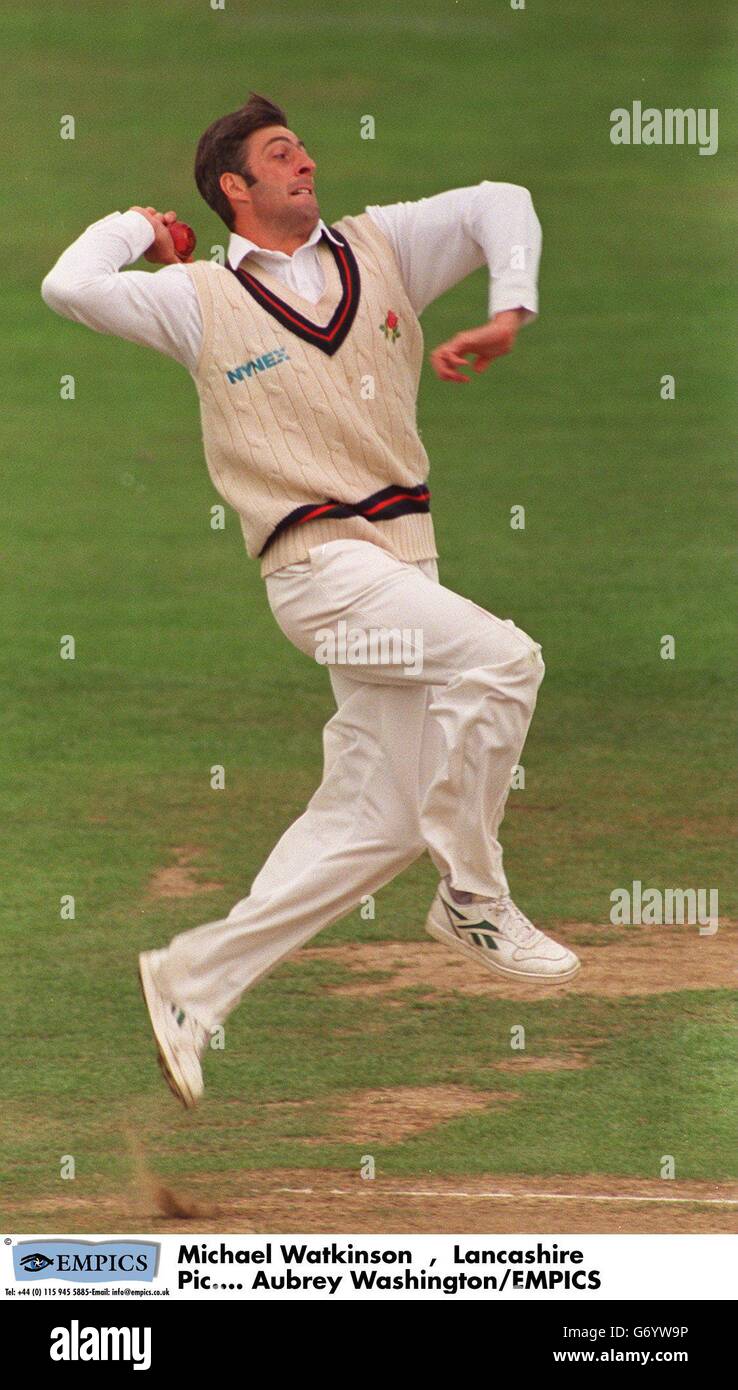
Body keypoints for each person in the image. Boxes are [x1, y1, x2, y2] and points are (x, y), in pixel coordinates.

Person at [41, 93, 580, 1109]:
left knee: (374, 820)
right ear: (233, 189)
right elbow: (67, 284)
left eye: (303, 150)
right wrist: (138, 229)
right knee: (505, 659)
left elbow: (500, 201)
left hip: (404, 565)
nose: (306, 164)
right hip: (320, 575)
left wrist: (510, 310)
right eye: (278, 156)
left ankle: (190, 983)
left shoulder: (381, 250)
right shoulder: (194, 298)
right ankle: (474, 892)